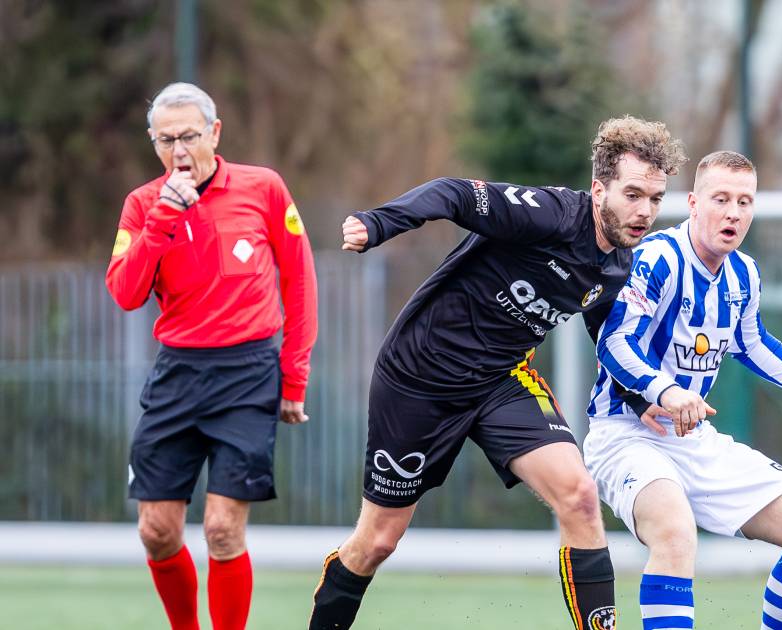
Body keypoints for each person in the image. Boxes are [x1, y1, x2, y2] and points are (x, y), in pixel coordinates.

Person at [308, 116, 687, 629]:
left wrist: (640, 398)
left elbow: (604, 331)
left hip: (501, 383)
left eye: (655, 199)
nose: (644, 211)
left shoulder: (619, 264)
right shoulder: (550, 215)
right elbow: (454, 194)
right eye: (633, 194)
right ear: (599, 189)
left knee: (579, 496)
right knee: (377, 542)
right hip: (418, 379)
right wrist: (380, 223)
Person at [585, 150, 782, 630]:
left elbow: (753, 343)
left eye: (745, 202)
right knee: (675, 534)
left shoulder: (744, 273)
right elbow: (614, 342)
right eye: (721, 199)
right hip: (625, 435)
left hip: (694, 440)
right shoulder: (658, 258)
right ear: (694, 203)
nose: (734, 213)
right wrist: (664, 391)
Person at [105, 82, 318, 630]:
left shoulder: (263, 187)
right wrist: (162, 219)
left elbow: (299, 284)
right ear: (153, 142)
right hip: (177, 373)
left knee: (223, 530)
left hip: (248, 375)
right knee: (156, 531)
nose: (179, 151)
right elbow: (125, 293)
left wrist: (294, 378)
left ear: (214, 133)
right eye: (166, 140)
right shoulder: (142, 205)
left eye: (189, 137)